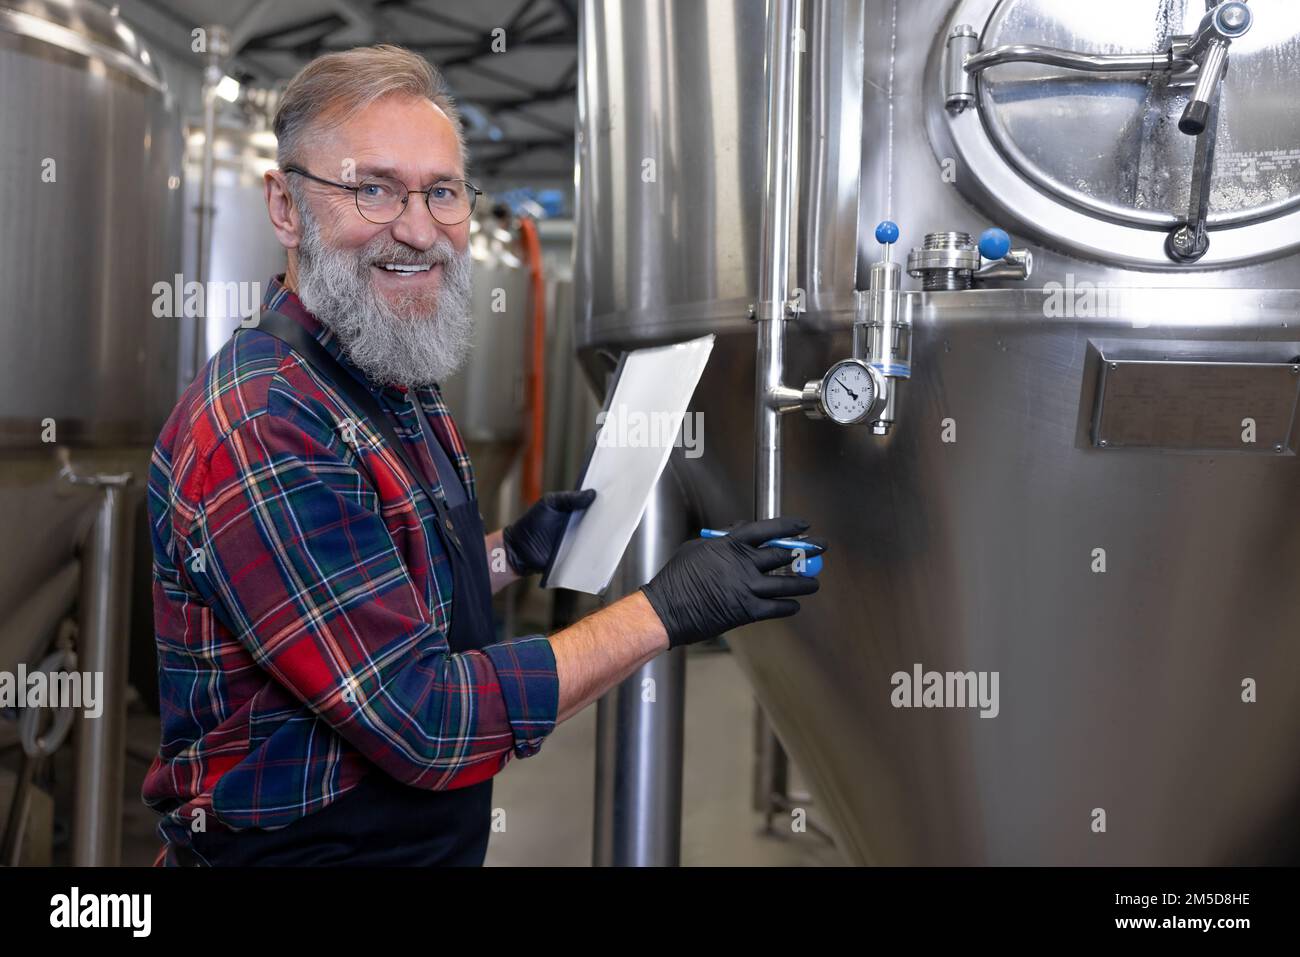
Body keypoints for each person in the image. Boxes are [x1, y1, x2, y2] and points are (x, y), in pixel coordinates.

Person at [143, 44, 823, 866]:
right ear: (285, 207)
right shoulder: (265, 422)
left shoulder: (388, 375)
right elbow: (424, 721)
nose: (420, 229)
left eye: (441, 191)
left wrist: (504, 555)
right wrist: (661, 612)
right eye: (373, 188)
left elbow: (378, 590)